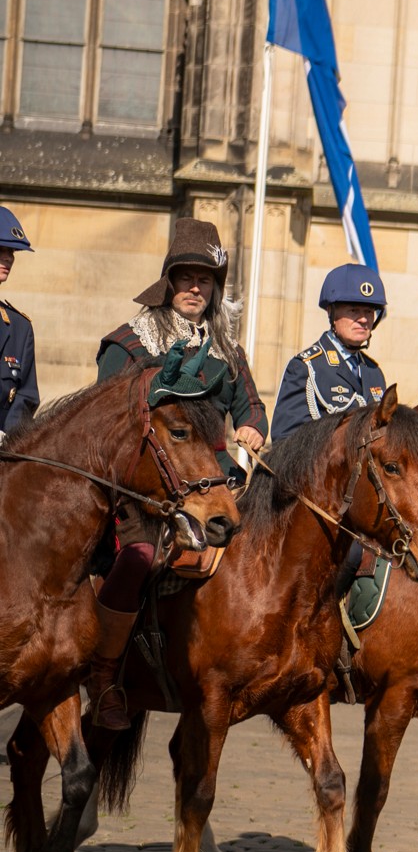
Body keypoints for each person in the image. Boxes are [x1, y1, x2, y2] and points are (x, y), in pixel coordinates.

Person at [86, 217, 268, 729]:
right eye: (186, 277)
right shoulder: (129, 345)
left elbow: (252, 407)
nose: (195, 288)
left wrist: (252, 431)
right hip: (145, 494)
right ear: (168, 283)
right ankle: (105, 678)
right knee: (139, 557)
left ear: (215, 289)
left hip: (215, 489)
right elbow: (106, 428)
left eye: (205, 279)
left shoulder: (227, 351)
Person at [273, 264, 389, 444]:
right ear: (331, 312)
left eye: (369, 311)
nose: (364, 319)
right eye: (354, 310)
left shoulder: (374, 372)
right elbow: (284, 442)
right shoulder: (306, 367)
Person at [0, 208, 37, 439]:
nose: (8, 258)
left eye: (12, 251)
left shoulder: (19, 327)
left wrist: (7, 436)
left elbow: (27, 395)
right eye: (0, 250)